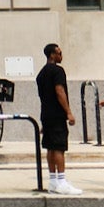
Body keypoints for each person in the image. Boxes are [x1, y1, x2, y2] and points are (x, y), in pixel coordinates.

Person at [37, 41, 79, 194]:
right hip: (56, 114)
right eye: (59, 53)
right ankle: (61, 181)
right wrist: (68, 112)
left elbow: (43, 96)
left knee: (50, 147)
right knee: (59, 147)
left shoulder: (41, 73)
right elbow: (59, 91)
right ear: (52, 55)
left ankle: (53, 180)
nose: (61, 56)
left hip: (46, 114)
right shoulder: (57, 71)